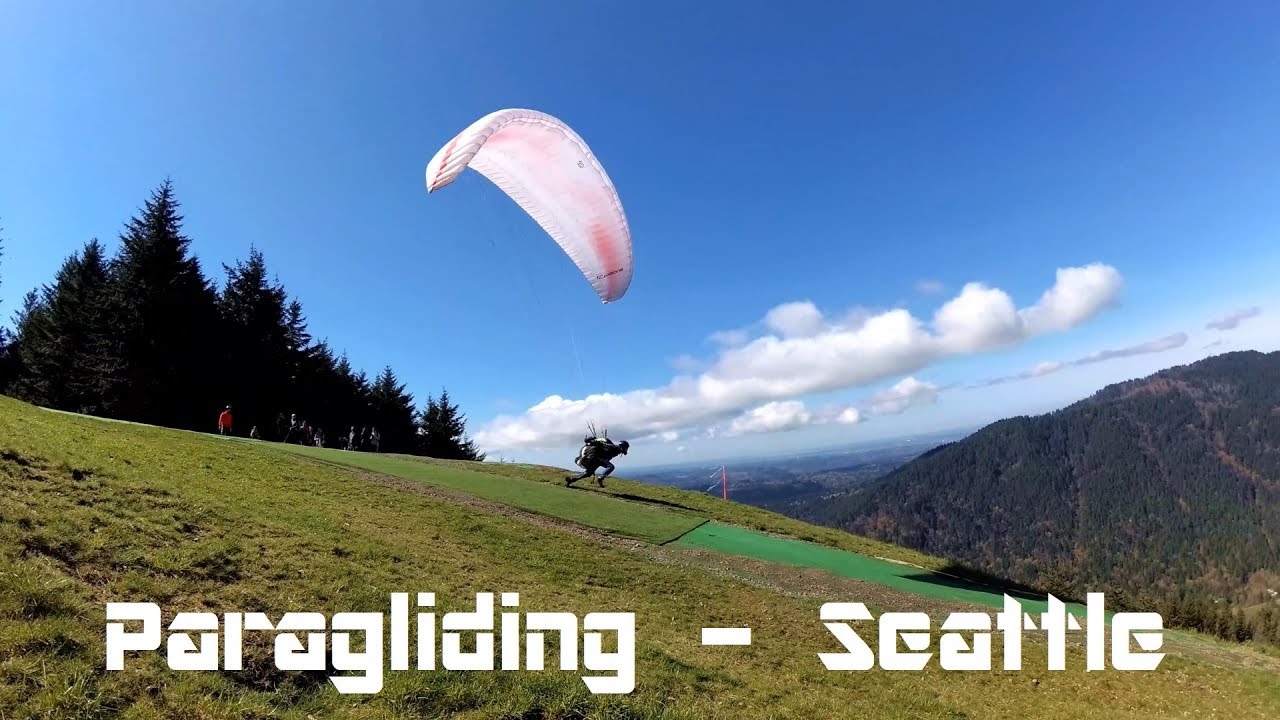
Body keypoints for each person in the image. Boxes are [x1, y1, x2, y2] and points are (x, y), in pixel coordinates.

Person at [565, 436, 629, 487]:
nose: (625, 450)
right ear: (623, 447)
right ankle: (601, 477)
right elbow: (605, 447)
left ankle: (571, 480)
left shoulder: (615, 449)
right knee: (610, 466)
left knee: (588, 473)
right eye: (626, 448)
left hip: (594, 460)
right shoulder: (614, 447)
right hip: (595, 458)